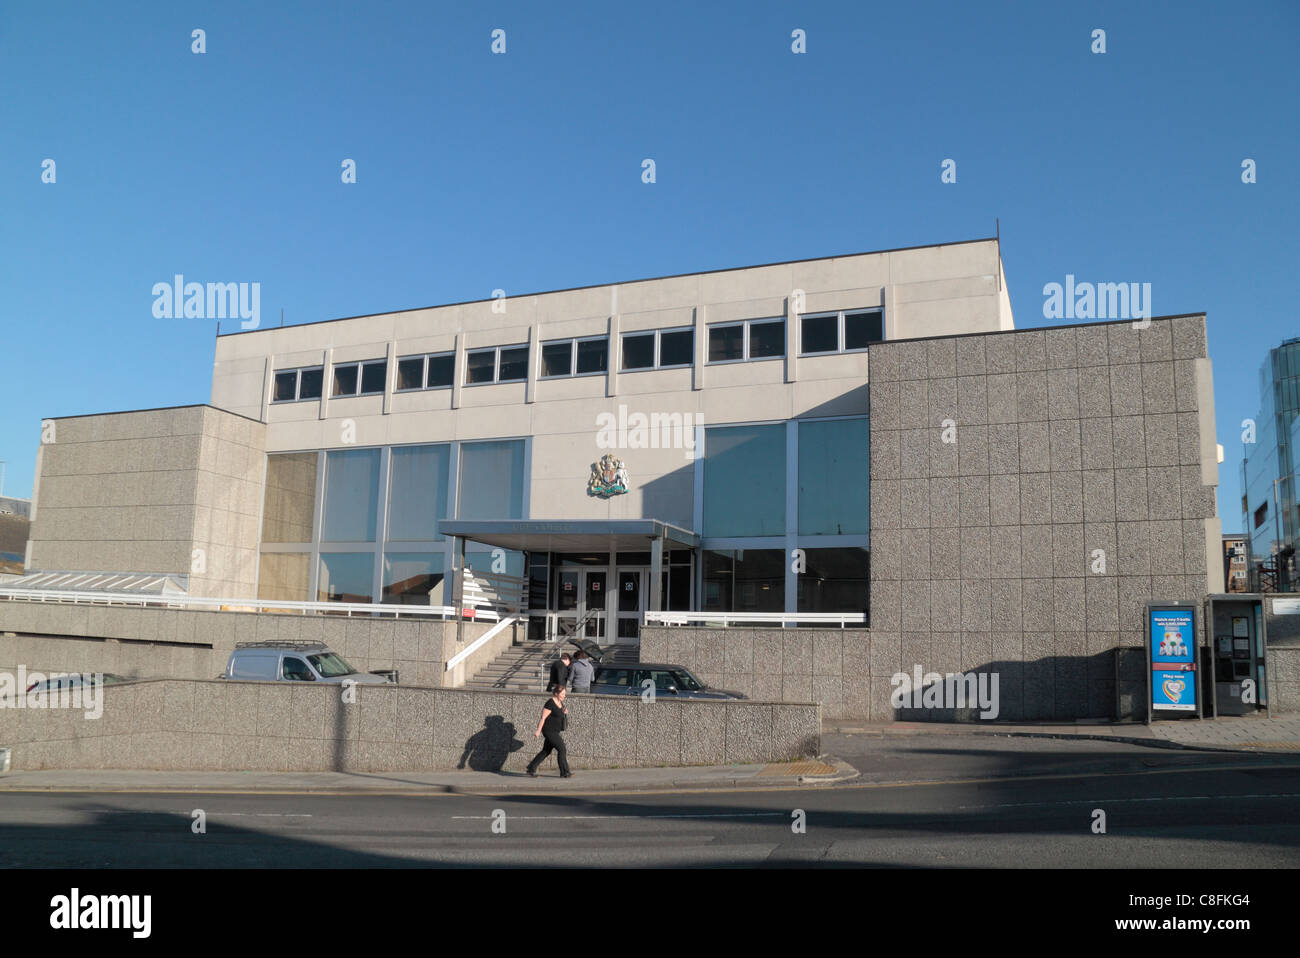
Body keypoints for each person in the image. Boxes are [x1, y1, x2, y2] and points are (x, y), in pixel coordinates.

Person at [526, 685, 572, 778]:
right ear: (556, 694)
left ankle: (531, 768)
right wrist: (538, 731)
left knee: (546, 751)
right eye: (562, 694)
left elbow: (559, 714)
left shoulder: (560, 703)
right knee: (562, 749)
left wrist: (565, 712)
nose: (564, 696)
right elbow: (543, 718)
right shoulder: (550, 703)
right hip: (549, 731)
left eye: (564, 694)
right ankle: (564, 772)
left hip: (555, 731)